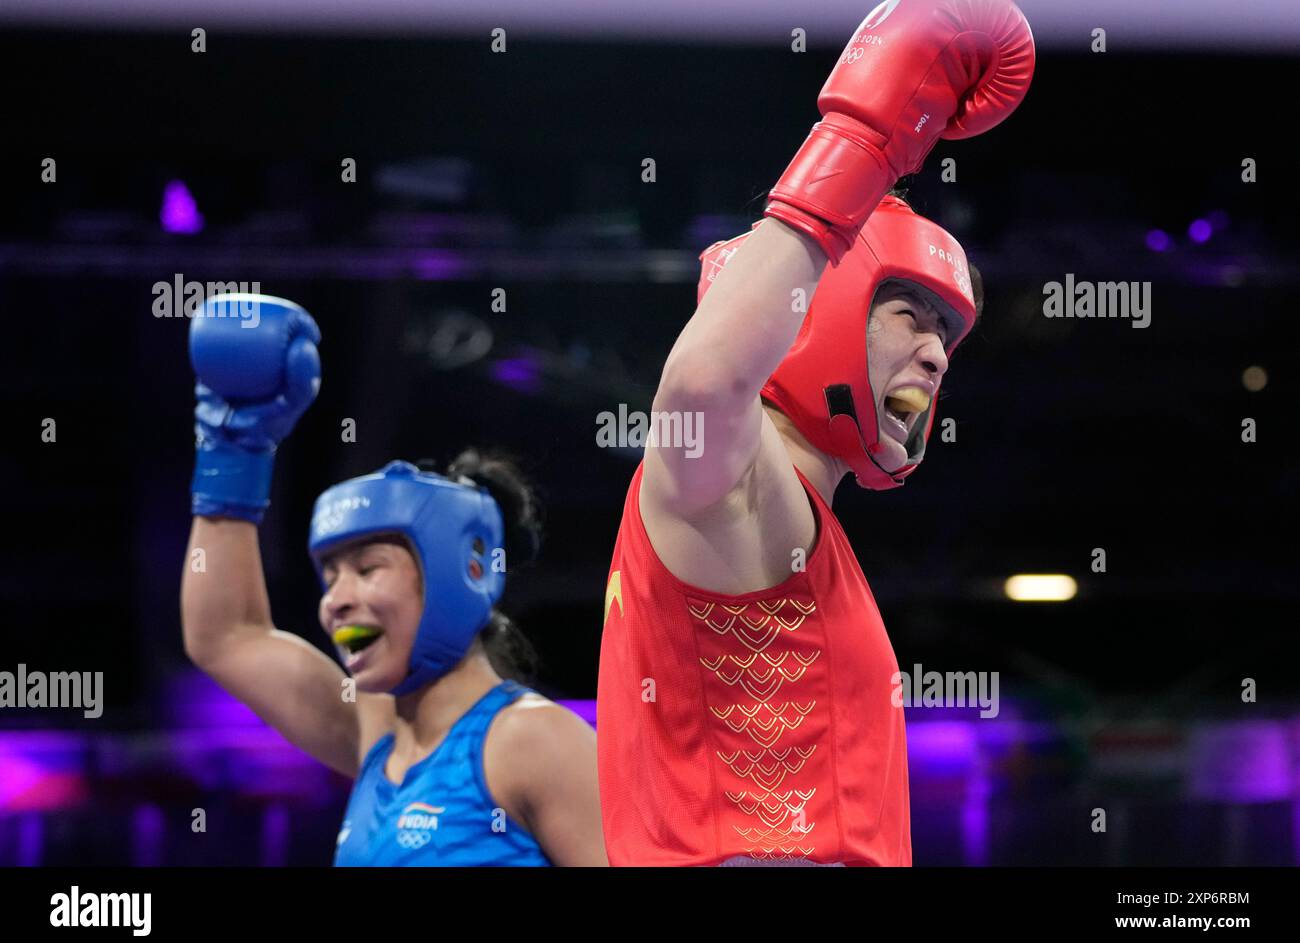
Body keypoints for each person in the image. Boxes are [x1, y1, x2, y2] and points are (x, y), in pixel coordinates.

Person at [596, 0, 1035, 865]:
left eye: (946, 336)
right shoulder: (735, 489)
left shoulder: (799, 532)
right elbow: (702, 384)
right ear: (815, 315)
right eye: (910, 316)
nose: (935, 356)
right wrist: (866, 139)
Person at [180, 293, 606, 866]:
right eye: (329, 577)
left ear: (467, 572)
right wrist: (234, 449)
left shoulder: (532, 741)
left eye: (367, 568)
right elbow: (226, 635)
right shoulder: (377, 733)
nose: (336, 601)